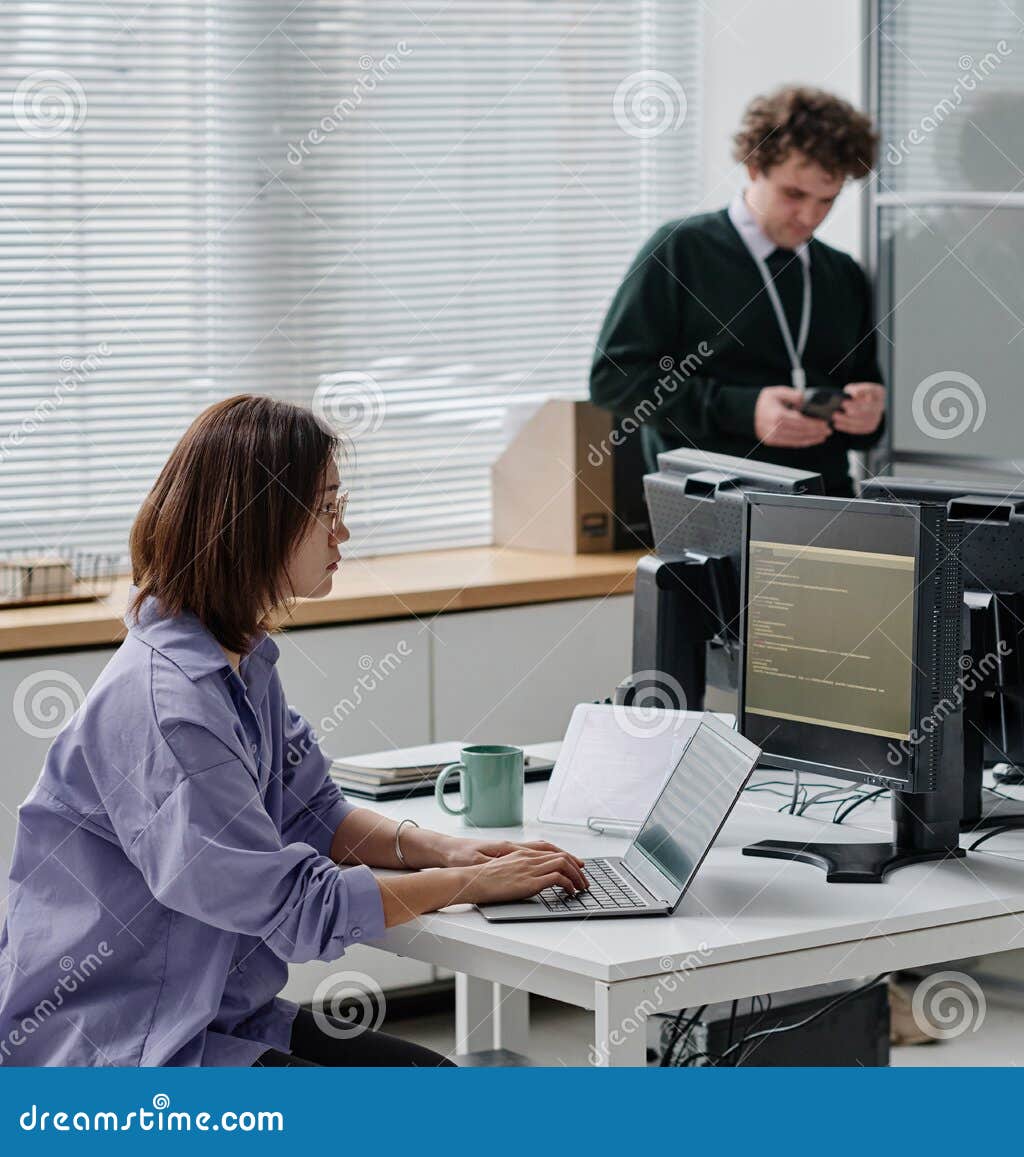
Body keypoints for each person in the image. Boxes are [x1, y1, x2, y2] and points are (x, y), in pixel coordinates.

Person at [0, 395, 590, 1067]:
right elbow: (298, 907)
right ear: (259, 524)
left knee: (436, 1078)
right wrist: (474, 885)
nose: (343, 534)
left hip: (208, 1017)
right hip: (121, 1049)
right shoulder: (172, 708)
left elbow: (313, 812)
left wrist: (452, 853)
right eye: (327, 510)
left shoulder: (236, 659)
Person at [590, 85, 885, 497]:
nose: (809, 216)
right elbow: (613, 381)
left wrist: (869, 416)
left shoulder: (841, 273)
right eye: (794, 194)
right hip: (711, 503)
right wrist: (745, 412)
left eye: (827, 200)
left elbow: (863, 387)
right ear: (753, 166)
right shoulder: (680, 250)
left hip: (825, 503)